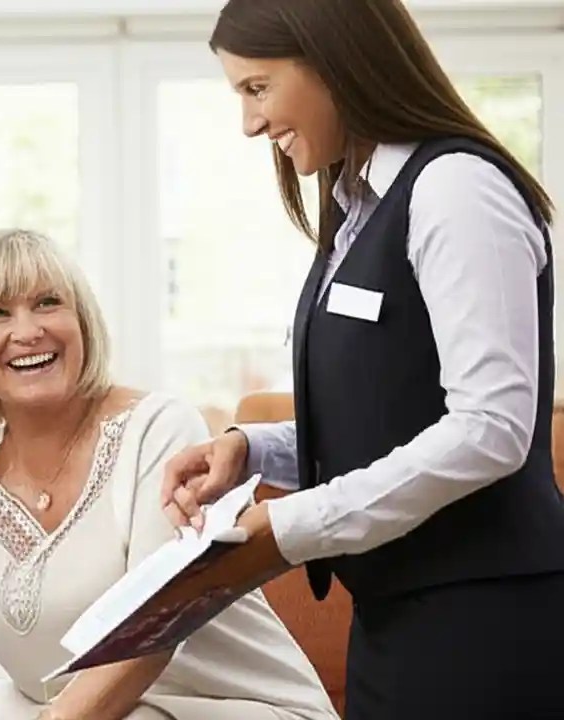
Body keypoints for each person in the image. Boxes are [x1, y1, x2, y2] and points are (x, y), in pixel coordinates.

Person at [162, 1, 564, 718]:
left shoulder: (456, 190)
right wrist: (253, 450)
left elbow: (491, 429)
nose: (249, 123)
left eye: (257, 88)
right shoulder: (358, 206)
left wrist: (294, 525)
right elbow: (388, 416)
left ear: (333, 59)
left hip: (484, 625)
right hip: (395, 620)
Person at [0, 229, 338, 720]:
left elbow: (151, 635)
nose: (28, 331)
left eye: (47, 303)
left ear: (82, 321)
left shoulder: (160, 429)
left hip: (242, 710)